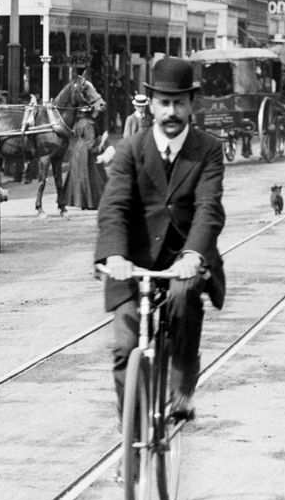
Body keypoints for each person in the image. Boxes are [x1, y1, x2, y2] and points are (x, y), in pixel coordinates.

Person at [95, 56, 226, 423]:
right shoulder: (130, 149)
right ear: (151, 104)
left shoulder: (208, 149)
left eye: (179, 103)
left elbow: (208, 208)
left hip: (182, 259)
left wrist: (193, 254)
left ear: (191, 104)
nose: (171, 112)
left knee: (184, 299)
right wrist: (114, 256)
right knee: (125, 347)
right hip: (132, 261)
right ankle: (132, 436)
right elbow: (114, 206)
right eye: (164, 103)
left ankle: (182, 388)